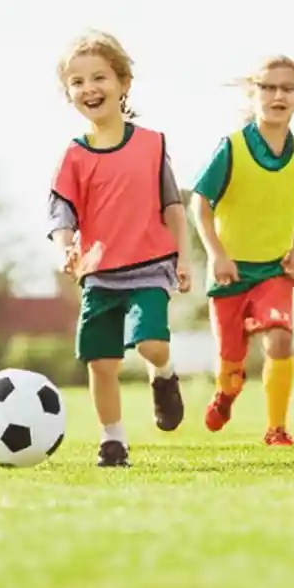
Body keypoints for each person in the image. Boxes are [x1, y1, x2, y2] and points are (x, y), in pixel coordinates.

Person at [48, 30, 192, 468]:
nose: (89, 88)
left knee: (150, 344)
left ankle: (164, 376)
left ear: (124, 83)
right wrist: (65, 248)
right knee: (101, 363)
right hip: (99, 274)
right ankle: (113, 440)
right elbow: (61, 214)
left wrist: (183, 258)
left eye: (100, 77)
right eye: (77, 81)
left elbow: (173, 206)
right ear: (68, 93)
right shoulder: (73, 156)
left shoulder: (151, 145)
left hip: (149, 266)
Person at [191, 55, 294, 446]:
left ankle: (276, 428)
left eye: (287, 88)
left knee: (280, 338)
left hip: (273, 272)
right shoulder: (231, 147)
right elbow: (200, 204)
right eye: (268, 87)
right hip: (230, 272)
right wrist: (217, 255)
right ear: (253, 93)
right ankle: (227, 393)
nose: (278, 95)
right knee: (231, 362)